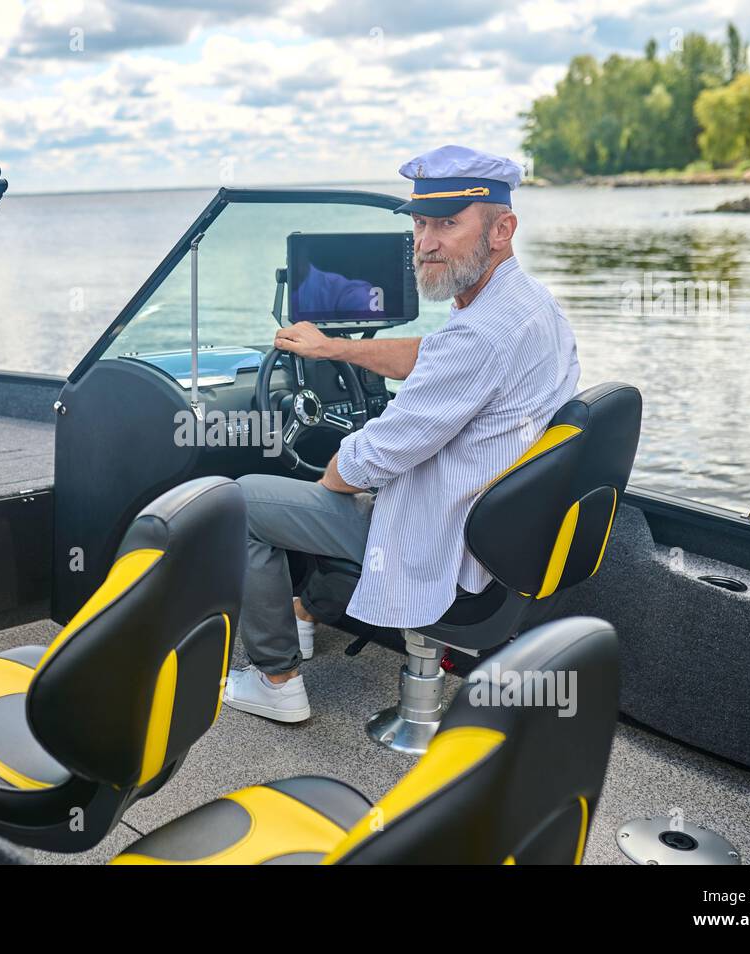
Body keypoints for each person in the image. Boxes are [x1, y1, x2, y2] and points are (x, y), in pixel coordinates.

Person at [223, 144, 581, 723]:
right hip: (500, 533)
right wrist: (335, 349)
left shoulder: (481, 335)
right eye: (419, 224)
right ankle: (306, 613)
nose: (426, 242)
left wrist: (328, 484)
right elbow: (432, 353)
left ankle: (276, 680)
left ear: (502, 230)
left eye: (448, 224)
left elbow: (365, 462)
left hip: (445, 541)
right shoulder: (527, 304)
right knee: (343, 499)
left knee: (245, 502)